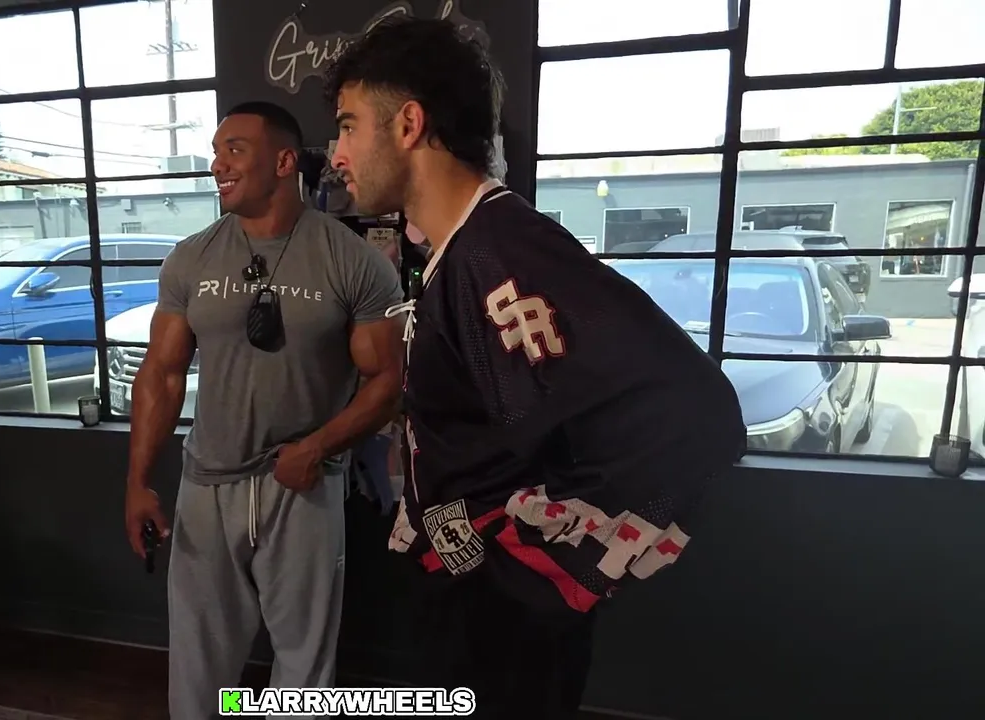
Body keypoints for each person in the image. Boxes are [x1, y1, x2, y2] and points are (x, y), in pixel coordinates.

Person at [325, 17, 746, 718]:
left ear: (408, 124)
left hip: (500, 625)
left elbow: (693, 415)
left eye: (347, 127)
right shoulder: (461, 251)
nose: (336, 154)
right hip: (465, 604)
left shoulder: (497, 249)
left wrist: (531, 564)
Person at [123, 101, 404, 719]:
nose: (217, 164)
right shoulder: (190, 258)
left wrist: (317, 448)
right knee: (199, 658)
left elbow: (388, 380)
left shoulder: (351, 259)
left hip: (301, 483)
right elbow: (161, 376)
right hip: (209, 484)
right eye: (215, 151)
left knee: (303, 665)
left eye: (234, 150)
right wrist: (138, 481)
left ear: (283, 162)